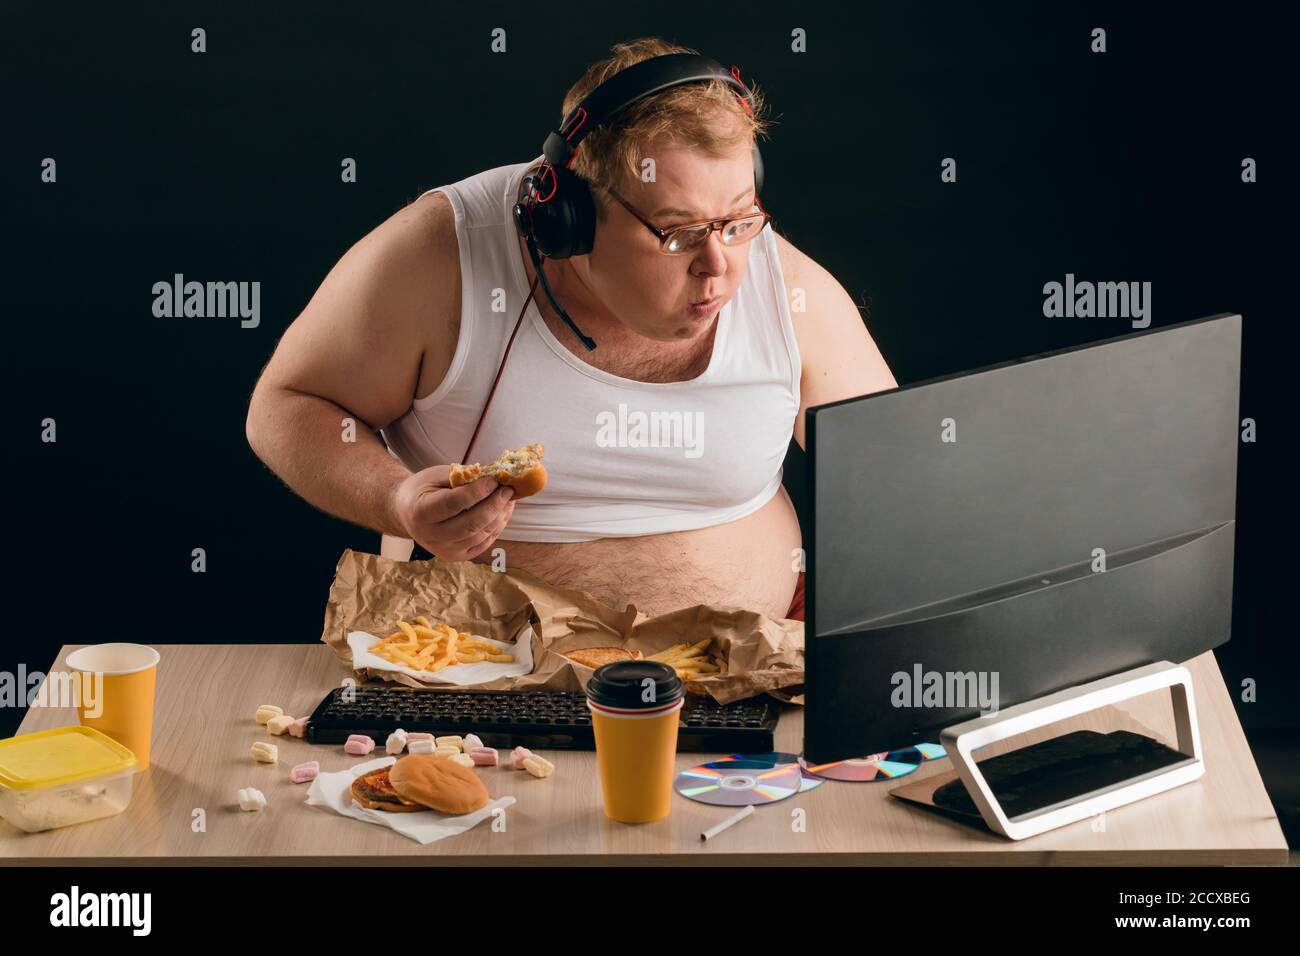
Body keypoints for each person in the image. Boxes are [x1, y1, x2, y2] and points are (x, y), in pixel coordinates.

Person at [245, 37, 895, 622]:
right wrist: (397, 500)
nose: (719, 268)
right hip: (484, 687)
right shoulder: (442, 259)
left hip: (744, 686)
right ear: (571, 219)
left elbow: (896, 472)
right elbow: (287, 404)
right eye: (679, 232)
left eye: (737, 221)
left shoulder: (792, 291)